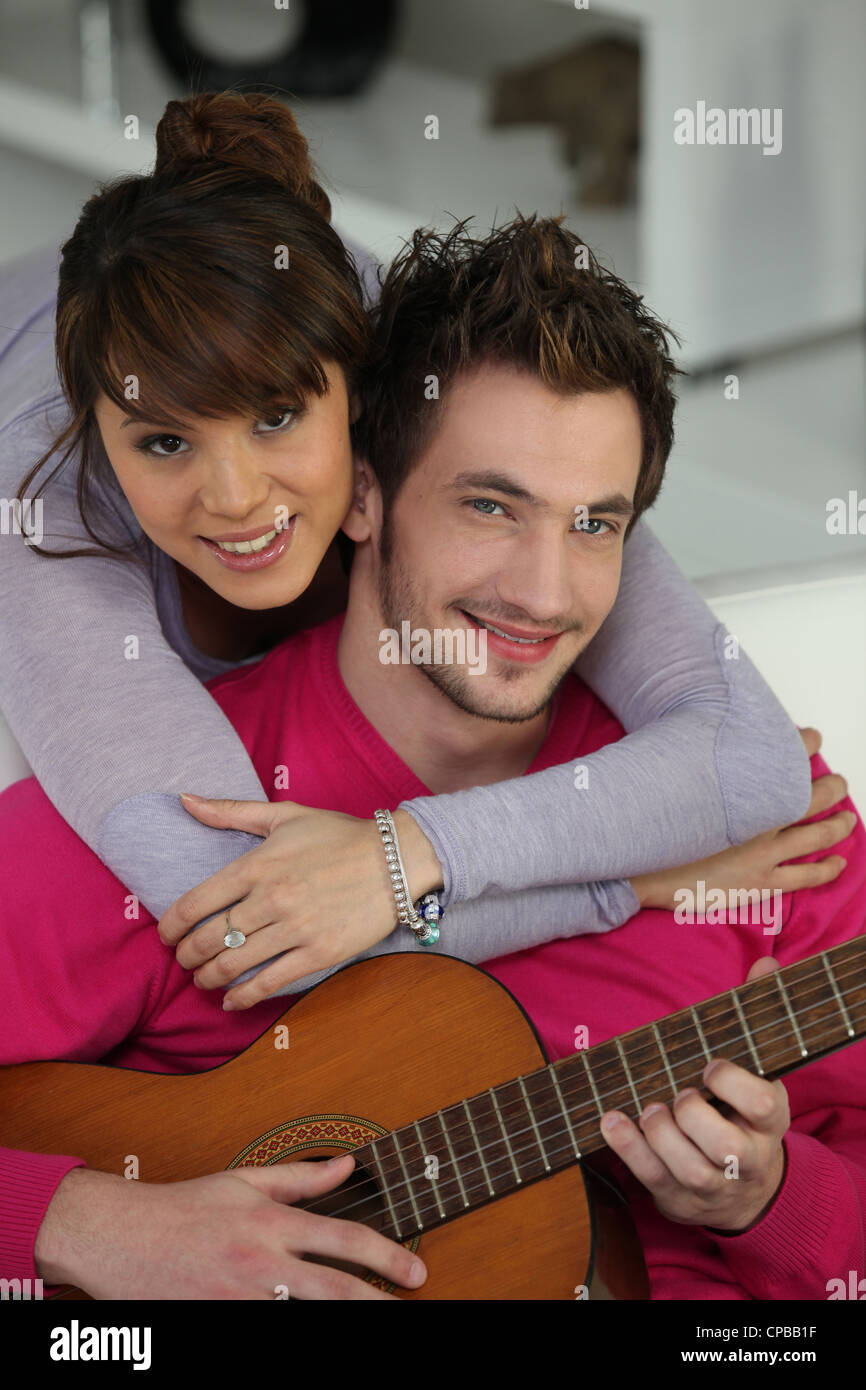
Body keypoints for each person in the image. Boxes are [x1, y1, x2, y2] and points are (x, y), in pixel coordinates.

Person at [1, 216, 863, 1301]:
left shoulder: (772, 842)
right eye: (488, 505)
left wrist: (774, 1198)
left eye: (593, 523)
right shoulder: (177, 814)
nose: (543, 595)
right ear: (360, 491)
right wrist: (88, 1225)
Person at [0, 94, 812, 1004]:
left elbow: (751, 757)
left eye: (277, 418)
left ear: (360, 393)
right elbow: (259, 927)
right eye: (163, 443)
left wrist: (410, 852)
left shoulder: (393, 341)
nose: (234, 500)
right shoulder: (40, 506)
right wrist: (623, 885)